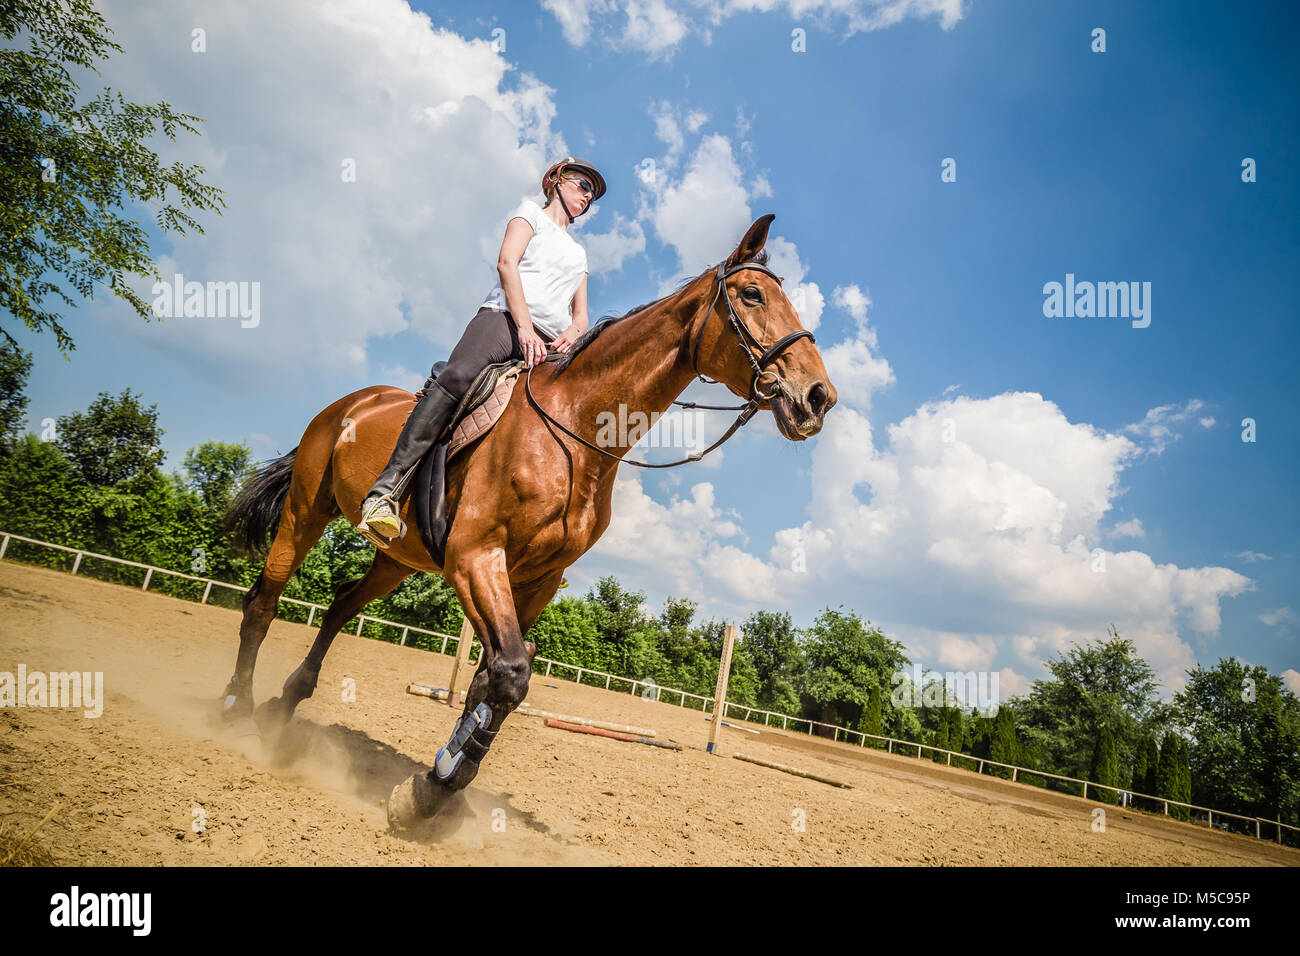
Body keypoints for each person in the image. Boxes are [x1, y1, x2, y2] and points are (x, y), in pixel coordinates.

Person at [357, 157, 607, 548]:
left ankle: (541, 537)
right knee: (456, 378)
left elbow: (581, 315)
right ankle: (384, 494)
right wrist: (524, 328)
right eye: (583, 186)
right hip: (505, 321)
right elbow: (506, 264)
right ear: (557, 180)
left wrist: (572, 335)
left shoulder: (579, 255)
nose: (588, 197)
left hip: (549, 344)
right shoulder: (529, 215)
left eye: (593, 194)